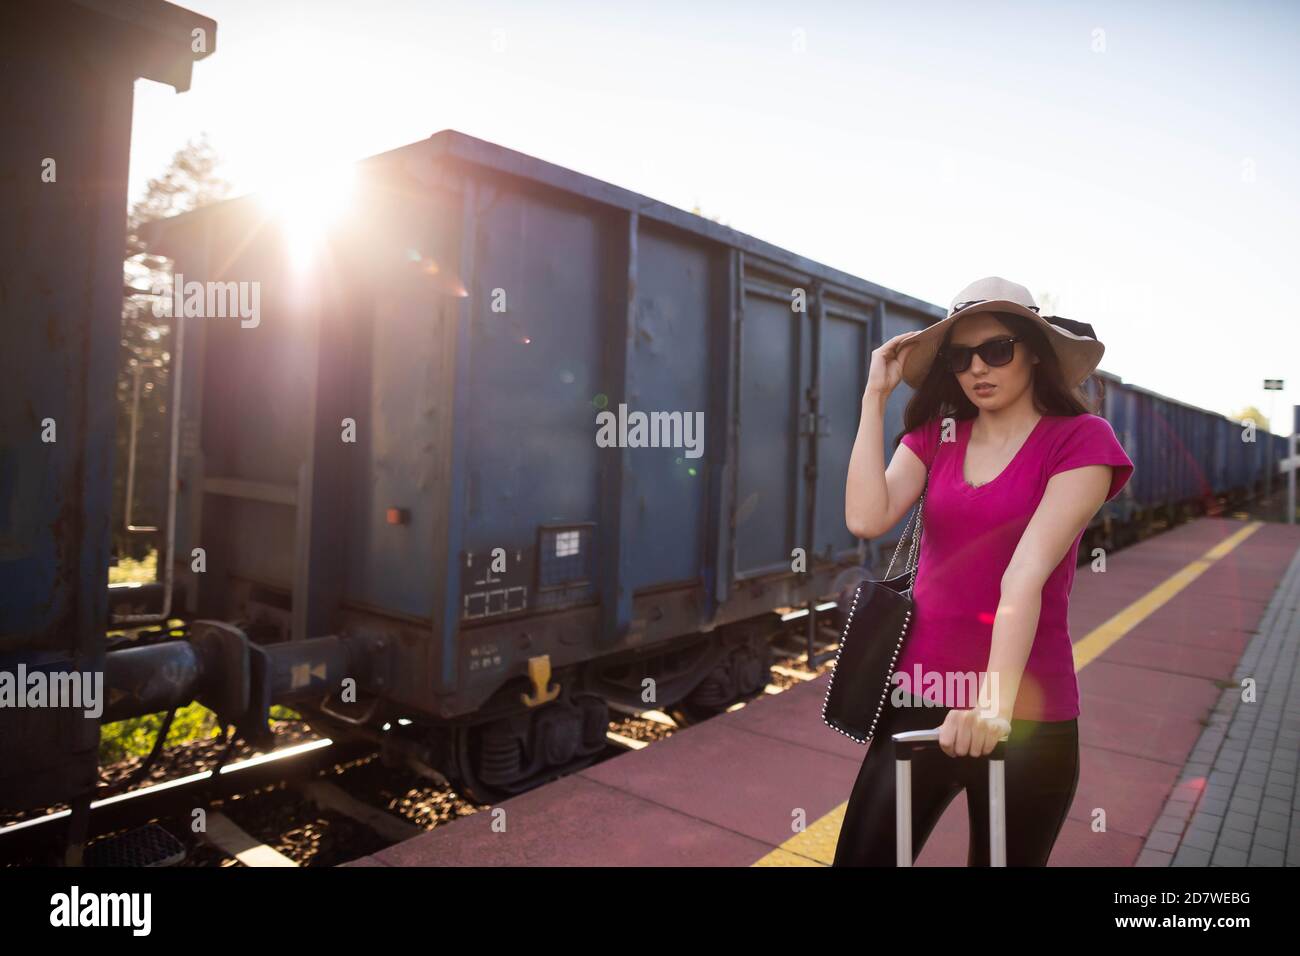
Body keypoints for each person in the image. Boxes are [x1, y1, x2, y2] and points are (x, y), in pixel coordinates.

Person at [833, 276, 1134, 866]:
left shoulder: (1080, 442)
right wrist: (874, 398)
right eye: (960, 355)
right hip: (919, 695)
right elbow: (867, 517)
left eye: (996, 349)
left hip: (1022, 715)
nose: (977, 368)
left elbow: (1024, 574)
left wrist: (992, 705)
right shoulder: (934, 437)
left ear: (1034, 351)